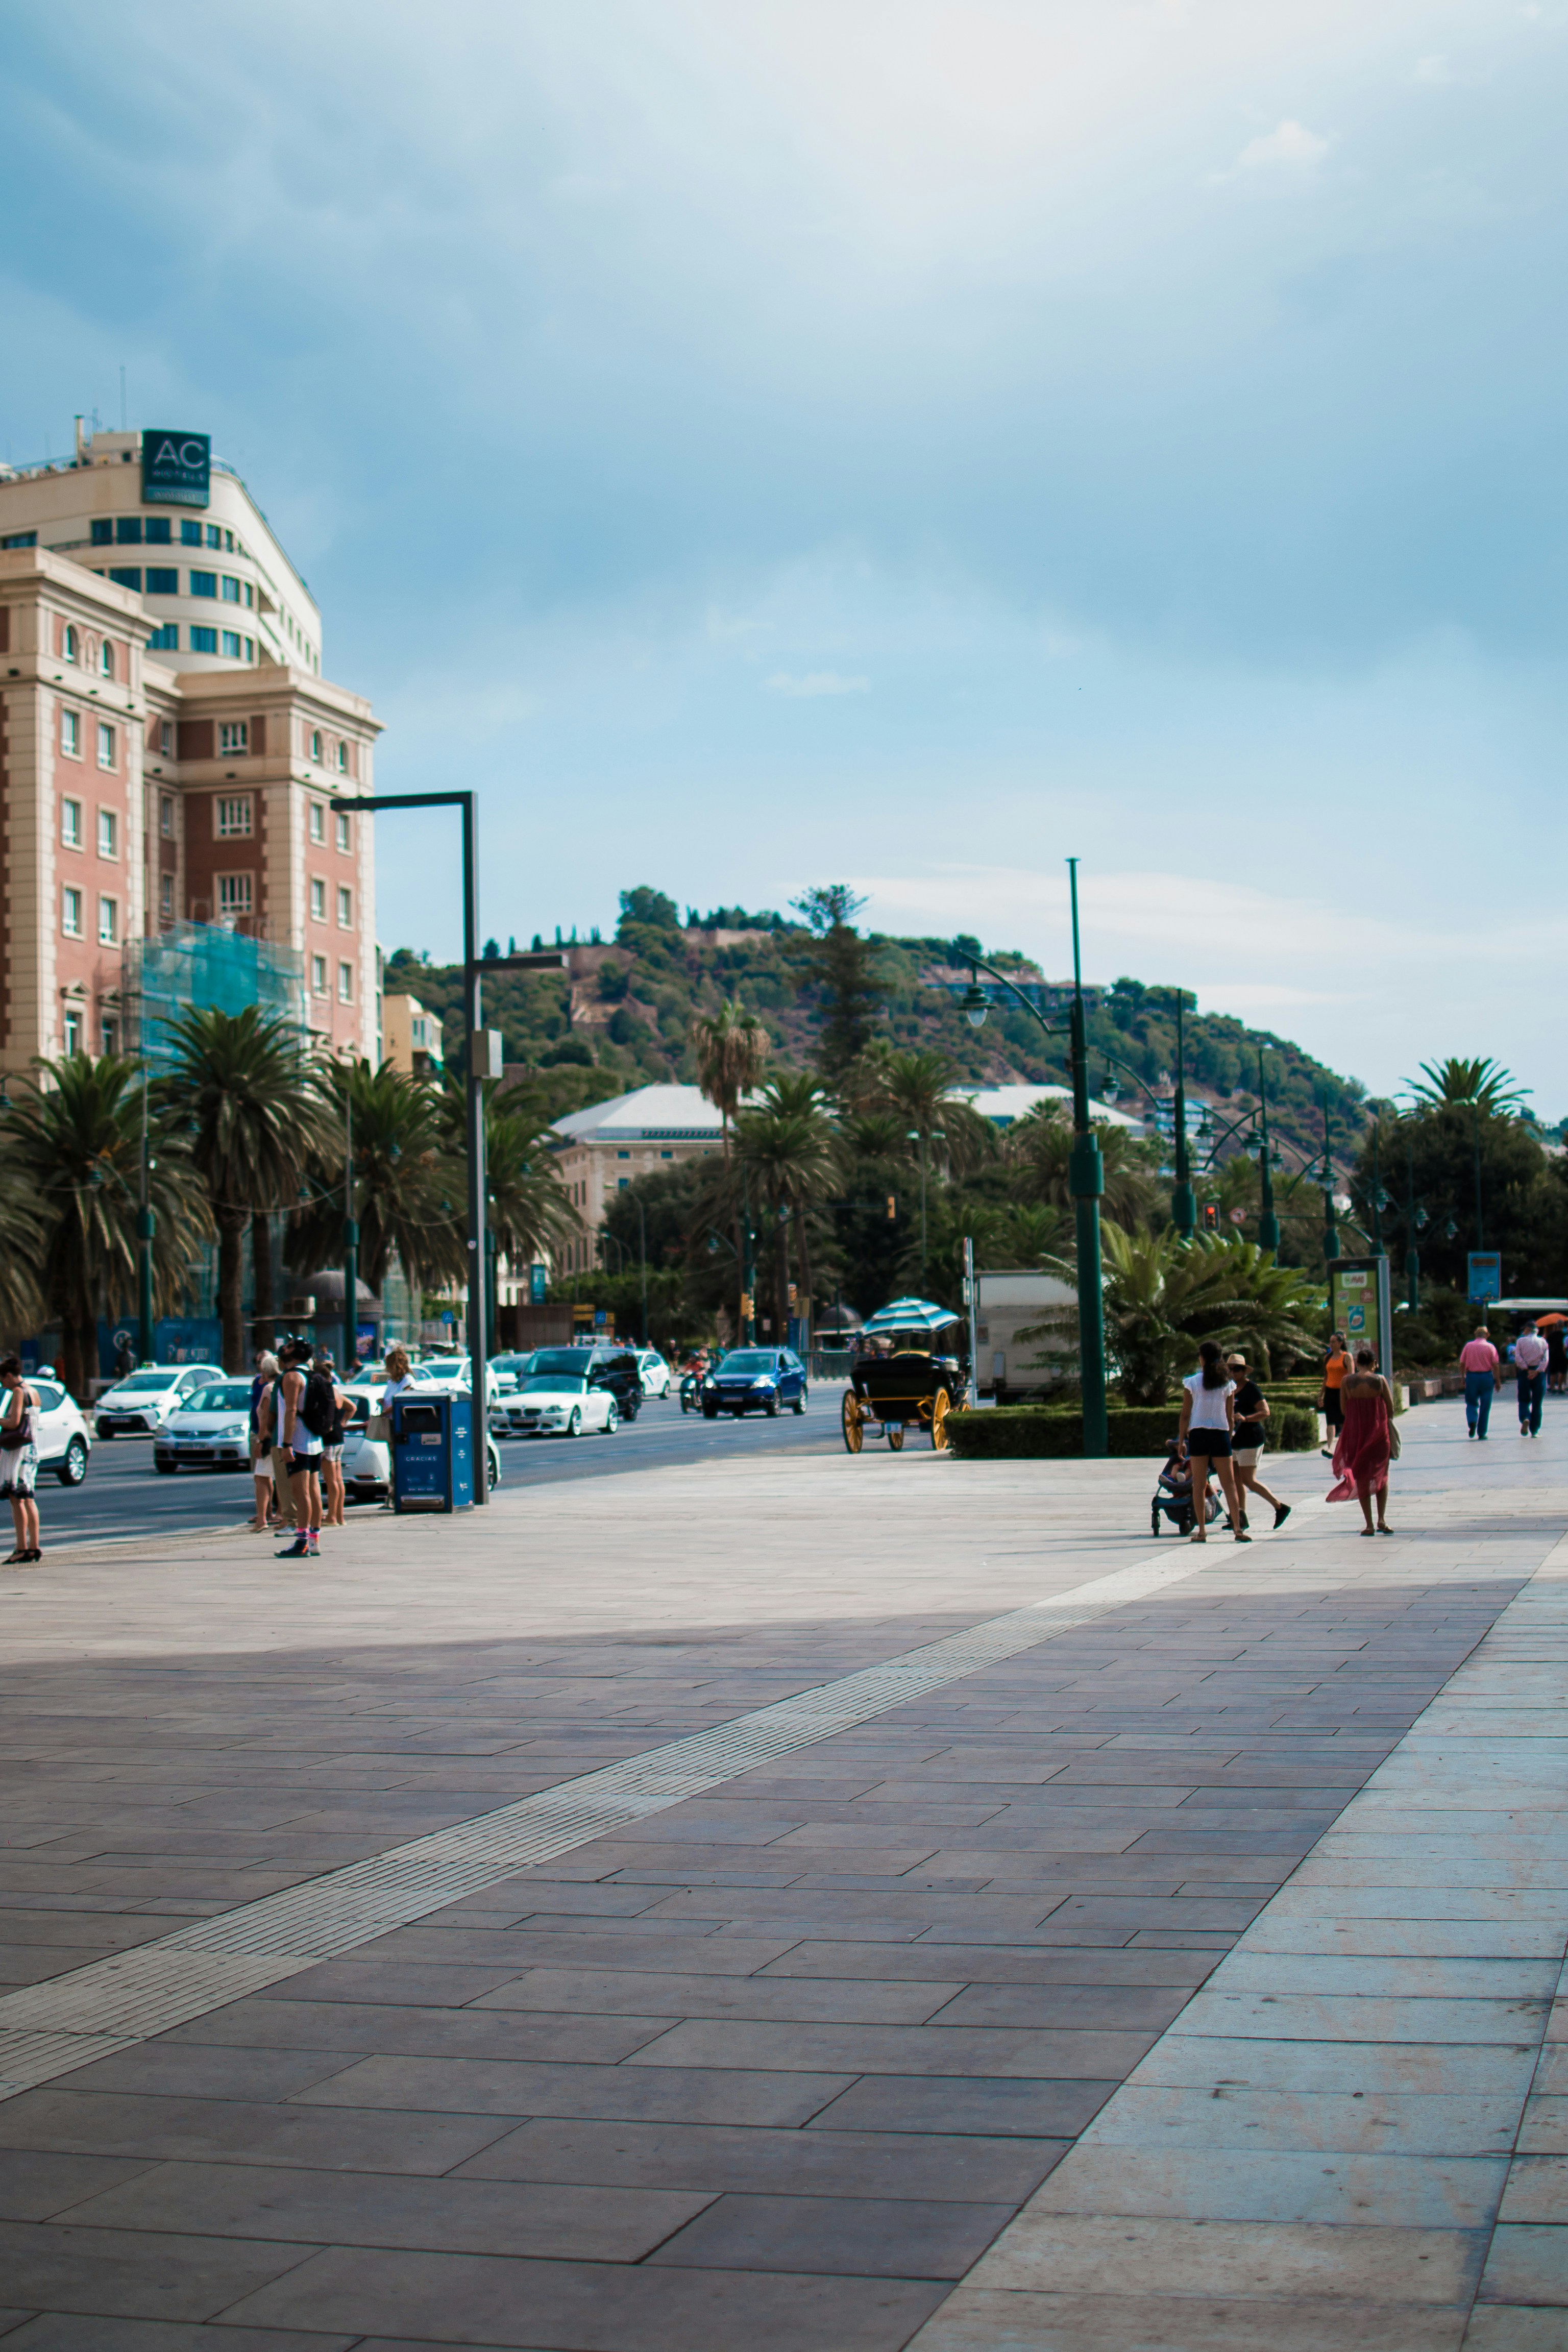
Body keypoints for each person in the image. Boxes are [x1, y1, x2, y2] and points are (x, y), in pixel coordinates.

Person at [1177, 1339, 1250, 1544]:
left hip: (1199, 1434)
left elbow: (1185, 1414)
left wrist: (1182, 1440)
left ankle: (1201, 1531)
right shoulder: (1228, 1384)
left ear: (1203, 1358)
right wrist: (1229, 1435)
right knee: (1229, 1484)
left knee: (1199, 1485)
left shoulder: (1192, 1382)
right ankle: (1237, 1529)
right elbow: (1230, 1416)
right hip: (1220, 1434)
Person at [1328, 1343, 1395, 1534]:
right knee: (1381, 1474)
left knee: (1362, 1477)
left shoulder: (1347, 1382)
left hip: (1356, 1434)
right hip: (1379, 1433)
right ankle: (1382, 1519)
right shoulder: (1380, 1381)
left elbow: (1343, 1409)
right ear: (1374, 1363)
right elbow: (1391, 1410)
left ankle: (1369, 1524)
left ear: (1357, 1363)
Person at [1226, 1354, 1292, 1533]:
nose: (1233, 1373)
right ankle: (1240, 1517)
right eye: (1230, 1369)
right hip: (1234, 1439)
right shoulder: (1228, 1389)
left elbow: (1265, 1412)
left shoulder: (1251, 1389)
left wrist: (1246, 1418)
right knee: (1235, 1480)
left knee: (1248, 1480)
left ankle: (1279, 1507)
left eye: (1237, 1369)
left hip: (1251, 1439)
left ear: (1243, 1371)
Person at [276, 1339, 325, 1559]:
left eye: (287, 1347)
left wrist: (287, 1444)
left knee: (301, 1493)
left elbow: (291, 1410)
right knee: (313, 1491)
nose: (283, 1349)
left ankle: (302, 1541)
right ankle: (314, 1540)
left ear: (295, 1353)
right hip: (315, 1442)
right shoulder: (312, 1375)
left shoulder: (292, 1377)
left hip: (298, 1443)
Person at [0, 1356, 41, 1565]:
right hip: (32, 1449)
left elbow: (14, 1421)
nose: (2, 1385)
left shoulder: (18, 1392)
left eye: (2, 1380)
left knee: (17, 1500)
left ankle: (21, 1548)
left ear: (8, 1375)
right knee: (29, 1498)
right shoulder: (33, 1392)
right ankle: (34, 1546)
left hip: (18, 1452)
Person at [315, 1348, 352, 1529]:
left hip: (329, 1439)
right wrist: (343, 1421)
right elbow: (351, 1407)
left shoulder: (326, 1393)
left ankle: (332, 1516)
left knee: (331, 1480)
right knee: (338, 1479)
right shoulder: (336, 1391)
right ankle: (340, 1516)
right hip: (339, 1437)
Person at [378, 1344, 417, 1509]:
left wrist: (387, 1409)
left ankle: (398, 1495)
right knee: (392, 1460)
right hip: (389, 1422)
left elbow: (402, 1401)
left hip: (401, 1424)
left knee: (399, 1460)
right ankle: (392, 1495)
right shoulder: (391, 1382)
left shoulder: (407, 1380)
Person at [248, 1350, 280, 1532]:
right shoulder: (282, 1385)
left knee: (261, 1477)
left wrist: (260, 1440)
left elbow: (266, 1417)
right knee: (278, 1478)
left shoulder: (269, 1388)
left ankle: (262, 1519)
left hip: (268, 1438)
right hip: (280, 1437)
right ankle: (280, 1515)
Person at [1459, 1326, 1500, 1440]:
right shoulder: (1490, 1347)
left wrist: (1463, 1377)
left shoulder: (1468, 1346)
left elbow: (1462, 1363)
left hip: (1472, 1377)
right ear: (1487, 1335)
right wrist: (1498, 1381)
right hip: (1486, 1377)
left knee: (1471, 1402)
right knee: (1485, 1405)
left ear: (1475, 1334)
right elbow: (1495, 1365)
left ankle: (1472, 1421)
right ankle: (1482, 1432)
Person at [1513, 1317, 1550, 1439]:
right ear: (1537, 1330)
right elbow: (1545, 1360)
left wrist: (1527, 1369)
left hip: (1525, 1373)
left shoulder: (1521, 1341)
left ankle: (1525, 1418)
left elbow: (1518, 1358)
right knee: (1537, 1403)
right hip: (1539, 1374)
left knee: (1524, 1400)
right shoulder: (1543, 1342)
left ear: (1528, 1329)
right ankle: (1535, 1430)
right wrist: (1537, 1371)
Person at [1318, 1332, 1353, 1460]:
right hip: (1330, 1392)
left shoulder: (1347, 1357)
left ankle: (1346, 1446)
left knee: (1343, 1420)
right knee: (1331, 1421)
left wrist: (1350, 1395)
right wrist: (1321, 1395)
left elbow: (1350, 1376)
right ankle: (1330, 1446)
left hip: (1342, 1392)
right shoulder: (1327, 1358)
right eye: (1330, 1342)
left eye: (1334, 1342)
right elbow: (1326, 1377)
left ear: (1340, 1343)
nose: (1331, 1344)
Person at [1548, 1319, 1568, 1399]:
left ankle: (1552, 1388)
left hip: (1553, 1355)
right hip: (1562, 1355)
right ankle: (1560, 1387)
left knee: (1553, 1372)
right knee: (1562, 1371)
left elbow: (1548, 1345)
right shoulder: (1565, 1335)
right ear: (1563, 1326)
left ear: (1556, 1326)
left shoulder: (1551, 1335)